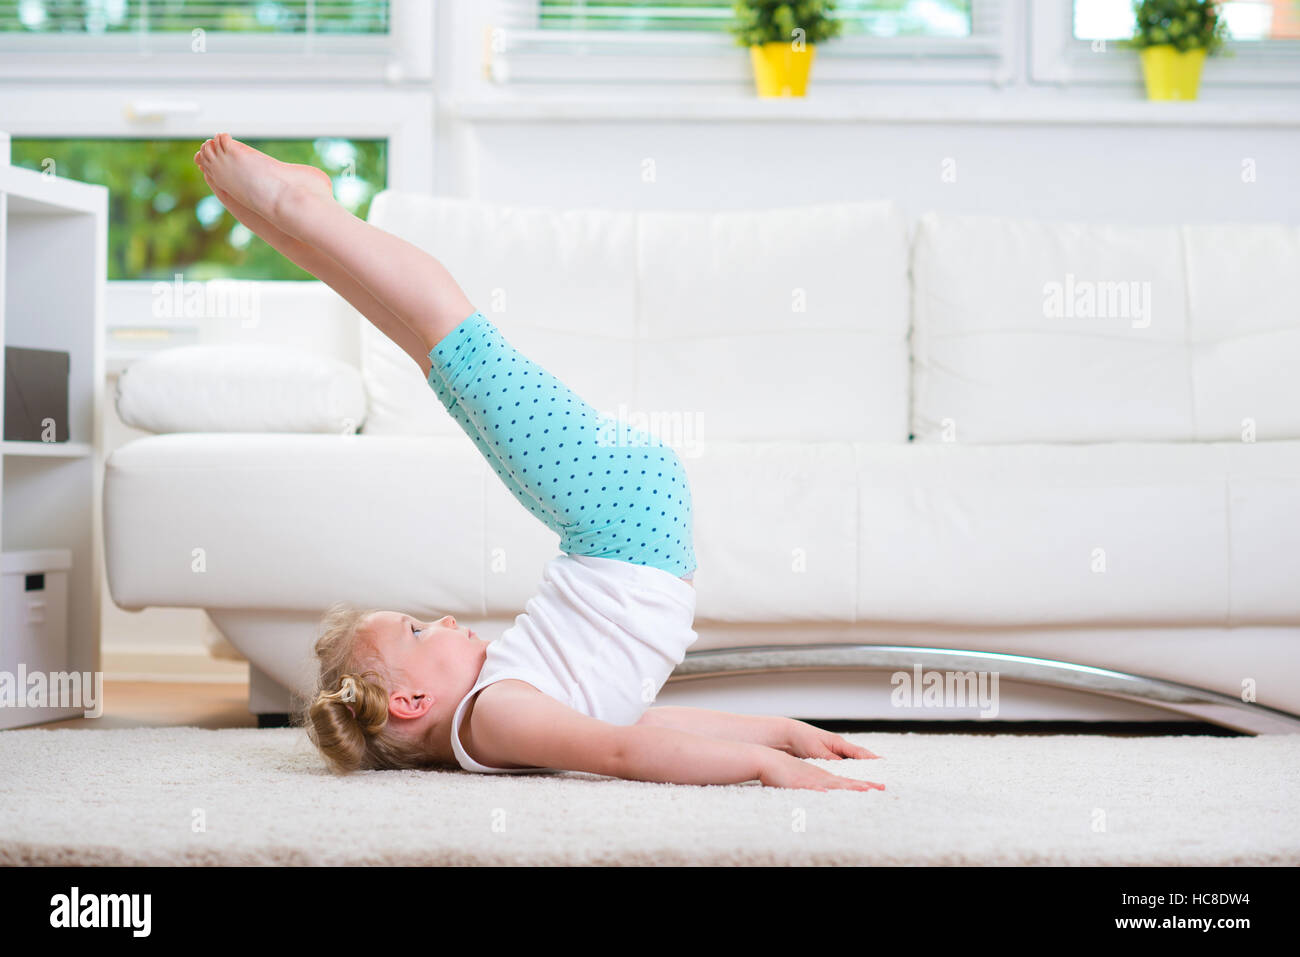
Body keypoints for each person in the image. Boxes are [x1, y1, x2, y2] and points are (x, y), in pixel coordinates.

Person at [193, 134, 884, 793]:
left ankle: (296, 219)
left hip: (619, 516)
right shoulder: (497, 715)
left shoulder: (500, 705)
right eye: (417, 630)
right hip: (617, 513)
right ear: (409, 699)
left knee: (447, 354)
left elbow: (633, 731)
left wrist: (779, 737)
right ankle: (298, 214)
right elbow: (630, 740)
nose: (443, 622)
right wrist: (772, 755)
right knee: (454, 345)